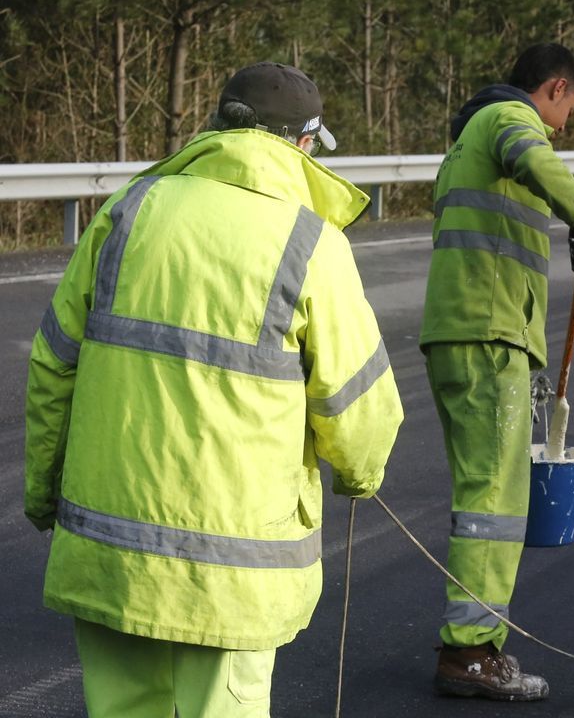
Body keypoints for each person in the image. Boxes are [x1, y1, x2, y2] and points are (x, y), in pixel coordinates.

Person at [24, 61, 403, 717]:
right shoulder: (310, 241)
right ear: (303, 143)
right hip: (232, 570)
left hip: (111, 555)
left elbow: (54, 365)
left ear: (217, 124)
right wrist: (359, 475)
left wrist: (42, 491)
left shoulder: (127, 211)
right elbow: (359, 405)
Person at [420, 42, 574, 701]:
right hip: (489, 335)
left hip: (462, 333)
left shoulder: (467, 142)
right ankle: (471, 653)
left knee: (483, 492)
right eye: (569, 110)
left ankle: (469, 643)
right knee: (496, 499)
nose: (564, 127)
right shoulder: (508, 120)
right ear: (555, 88)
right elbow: (536, 159)